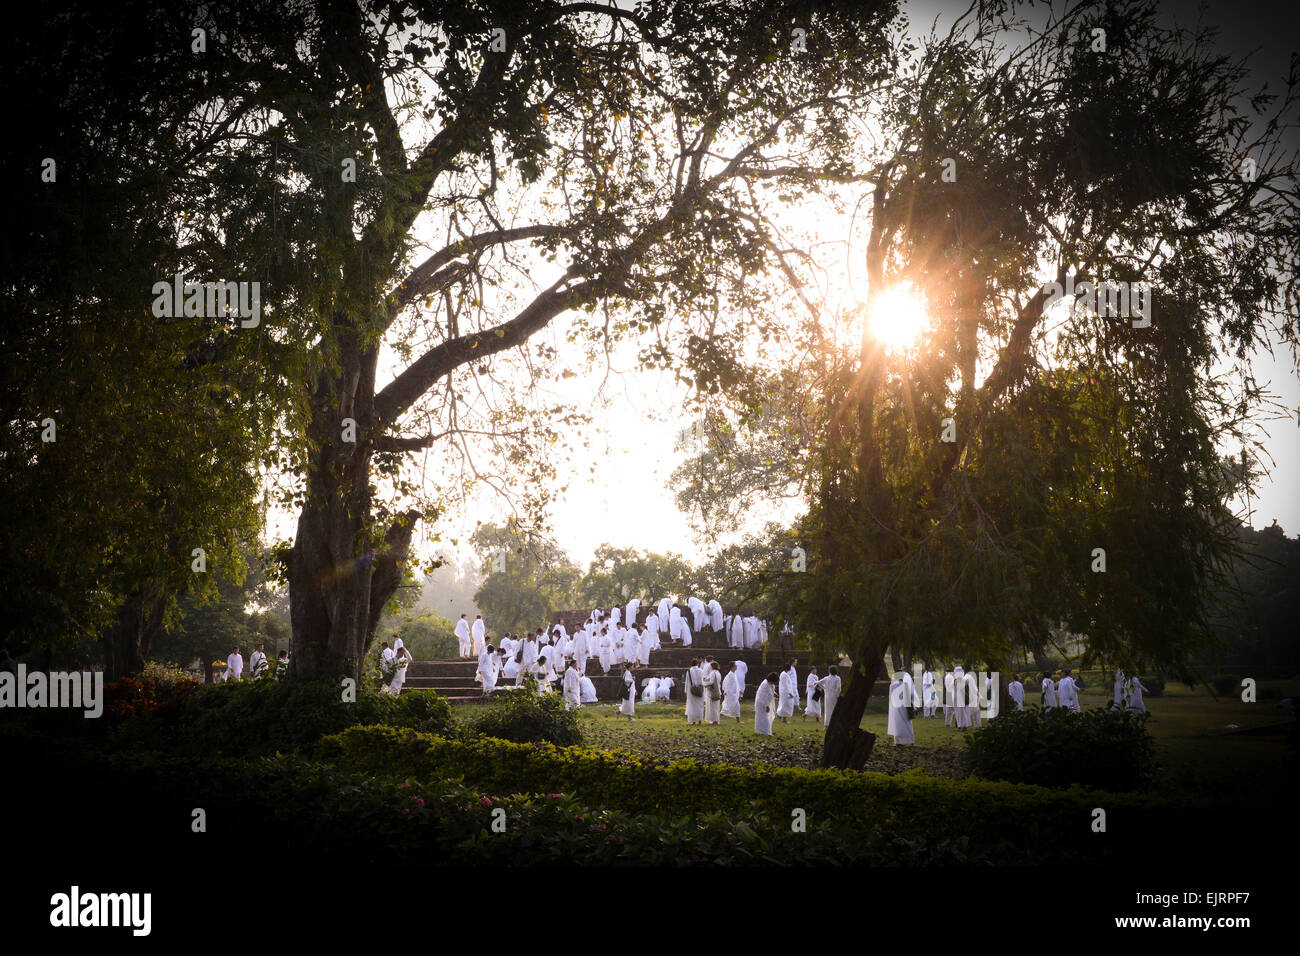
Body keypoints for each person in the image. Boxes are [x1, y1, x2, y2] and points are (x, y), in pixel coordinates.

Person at [887, 671, 916, 745]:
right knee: (907, 724)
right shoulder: (905, 685)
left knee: (897, 725)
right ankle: (910, 741)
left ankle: (897, 742)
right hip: (904, 707)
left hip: (896, 707)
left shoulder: (892, 685)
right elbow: (911, 696)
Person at [684, 658, 705, 724]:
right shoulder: (701, 671)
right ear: (697, 664)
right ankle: (700, 720)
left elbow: (687, 682)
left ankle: (693, 721)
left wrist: (686, 691)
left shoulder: (689, 671)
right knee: (700, 705)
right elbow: (703, 681)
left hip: (691, 690)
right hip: (700, 690)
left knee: (692, 706)